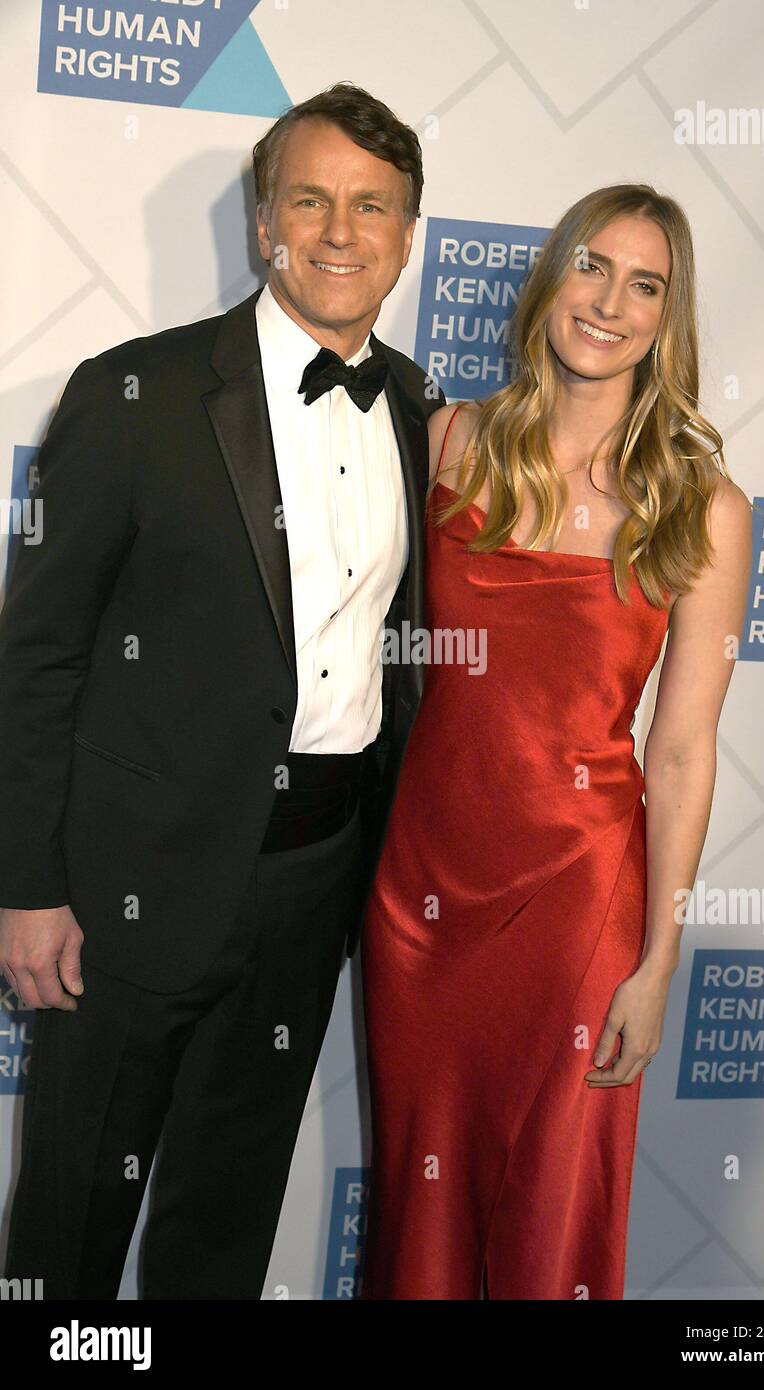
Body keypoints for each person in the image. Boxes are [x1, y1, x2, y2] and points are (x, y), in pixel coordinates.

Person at [0, 82, 444, 1300]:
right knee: (73, 1218)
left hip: (315, 881)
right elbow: (36, 658)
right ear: (263, 225)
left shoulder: (422, 415)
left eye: (372, 206)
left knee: (226, 1218)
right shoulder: (132, 394)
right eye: (309, 199)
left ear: (407, 235)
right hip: (131, 883)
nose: (339, 231)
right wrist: (29, 886)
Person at [359, 184, 752, 1300]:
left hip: (579, 900)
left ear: (665, 323)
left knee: (552, 1205)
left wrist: (658, 960)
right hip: (421, 897)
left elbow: (680, 753)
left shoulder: (700, 506)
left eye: (645, 285)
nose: (608, 302)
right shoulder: (450, 439)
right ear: (548, 282)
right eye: (591, 267)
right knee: (417, 1201)